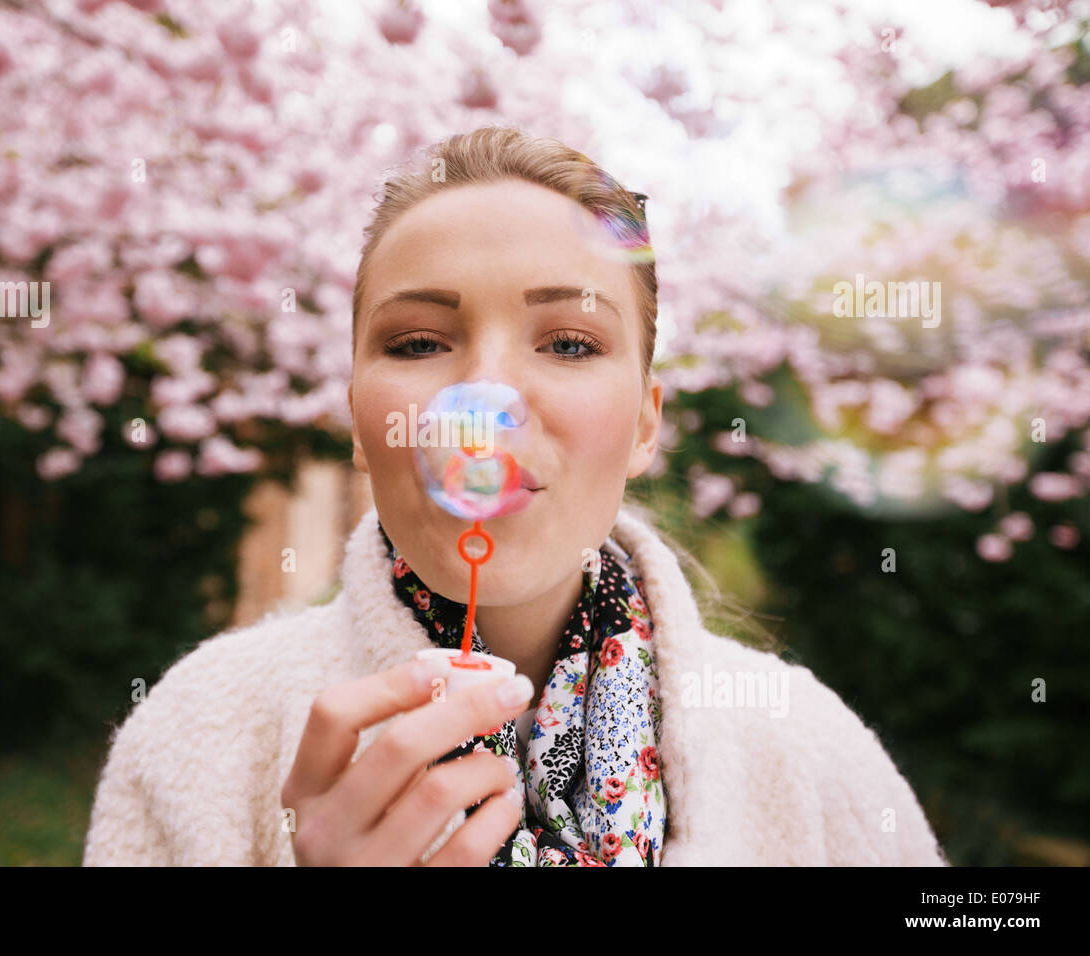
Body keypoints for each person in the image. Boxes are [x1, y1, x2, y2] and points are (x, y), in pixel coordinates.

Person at [82, 125, 947, 866]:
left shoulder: (814, 755)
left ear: (646, 425)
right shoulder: (199, 734)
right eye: (418, 343)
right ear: (357, 419)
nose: (482, 406)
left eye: (569, 344)